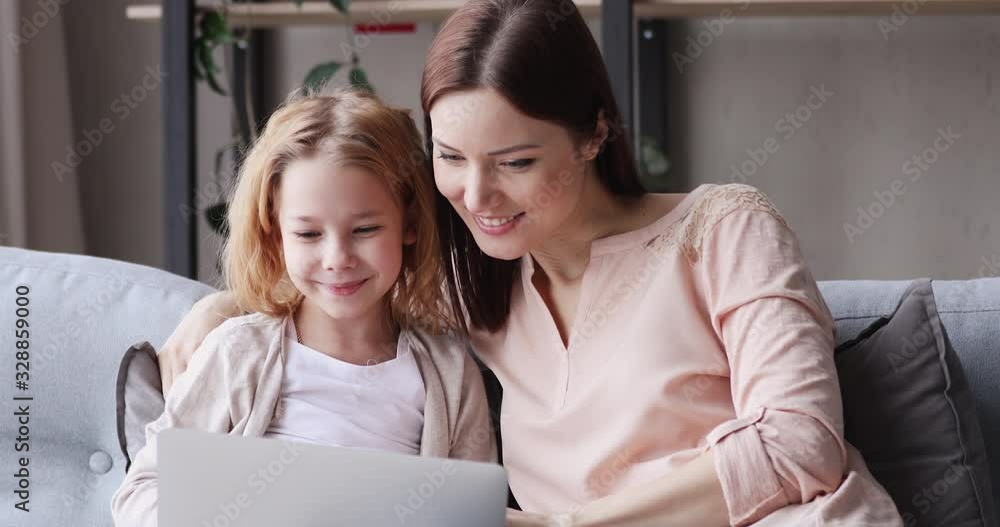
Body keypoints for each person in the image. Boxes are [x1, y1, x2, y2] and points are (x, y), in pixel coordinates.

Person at [155, 1, 904, 525]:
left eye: (514, 161)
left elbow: (802, 442)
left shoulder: (725, 229)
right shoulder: (472, 278)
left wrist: (574, 522)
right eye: (450, 158)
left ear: (594, 134)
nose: (476, 195)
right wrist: (223, 305)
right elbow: (346, 281)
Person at [111, 87, 496, 526]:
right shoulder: (238, 353)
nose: (337, 258)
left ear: (408, 224)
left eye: (365, 229)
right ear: (275, 235)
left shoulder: (448, 373)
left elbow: (474, 512)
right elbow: (140, 492)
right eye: (309, 235)